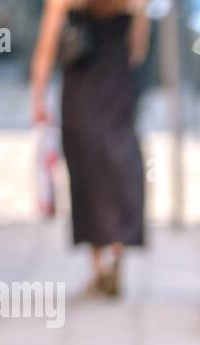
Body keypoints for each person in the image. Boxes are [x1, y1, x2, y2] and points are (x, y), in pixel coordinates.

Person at [30, 0, 149, 297]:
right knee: (121, 167)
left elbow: (46, 48)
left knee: (86, 175)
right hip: (117, 88)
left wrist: (38, 97)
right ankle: (117, 250)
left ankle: (98, 267)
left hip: (81, 92)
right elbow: (137, 50)